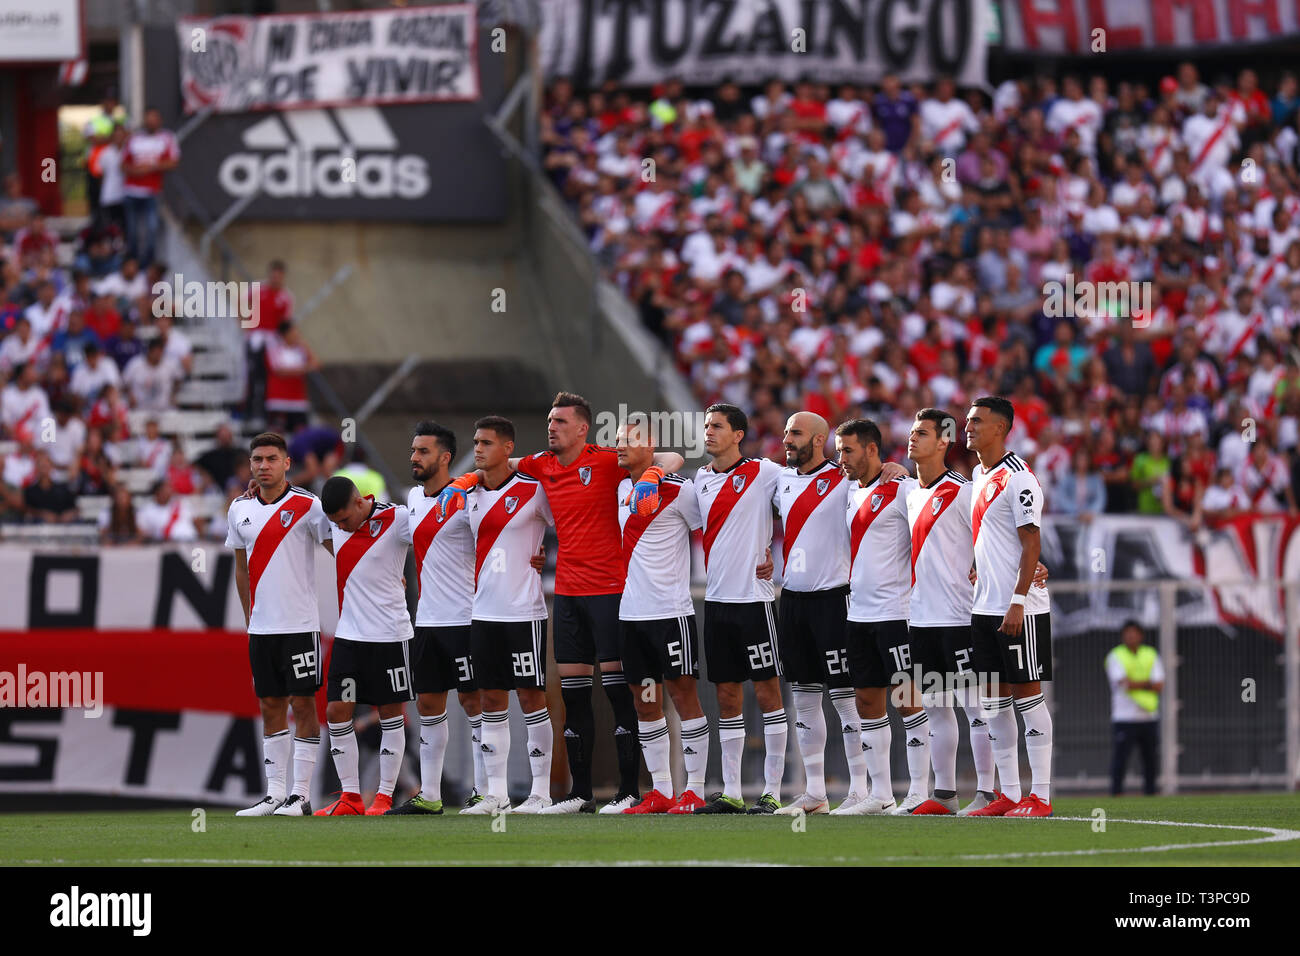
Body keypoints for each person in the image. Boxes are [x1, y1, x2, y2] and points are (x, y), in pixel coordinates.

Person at [439, 392, 682, 815]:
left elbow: (673, 455)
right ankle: (580, 793)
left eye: (561, 422)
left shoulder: (606, 460)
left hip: (609, 591)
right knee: (571, 698)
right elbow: (502, 465)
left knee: (618, 695)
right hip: (567, 595)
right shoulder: (540, 465)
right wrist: (466, 479)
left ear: (583, 429)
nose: (552, 426)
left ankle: (629, 790)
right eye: (550, 420)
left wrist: (654, 475)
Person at [772, 412, 895, 815]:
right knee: (804, 699)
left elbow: (879, 478)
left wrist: (892, 469)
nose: (787, 439)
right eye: (787, 432)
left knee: (847, 699)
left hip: (834, 600)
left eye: (796, 433)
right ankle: (815, 793)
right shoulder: (777, 479)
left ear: (820, 439)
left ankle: (861, 789)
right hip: (791, 600)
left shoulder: (845, 479)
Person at [450, 416, 556, 815]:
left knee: (531, 698)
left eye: (487, 443)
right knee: (491, 698)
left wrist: (545, 558)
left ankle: (541, 792)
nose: (477, 449)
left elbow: (571, 526)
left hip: (523, 612)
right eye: (476, 442)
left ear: (508, 449)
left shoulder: (534, 490)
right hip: (483, 612)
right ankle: (496, 794)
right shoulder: (468, 494)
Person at [225, 433, 334, 817]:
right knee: (270, 704)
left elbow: (338, 548)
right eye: (257, 459)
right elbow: (241, 569)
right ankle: (274, 793)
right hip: (262, 628)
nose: (264, 465)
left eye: (272, 458)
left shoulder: (309, 506)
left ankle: (301, 795)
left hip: (300, 625)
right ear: (250, 464)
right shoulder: (239, 510)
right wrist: (248, 616)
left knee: (303, 703)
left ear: (287, 463)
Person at [691, 403, 787, 814]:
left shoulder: (766, 472)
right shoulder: (700, 479)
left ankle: (772, 792)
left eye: (718, 427)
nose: (709, 432)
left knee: (768, 693)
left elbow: (807, 498)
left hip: (755, 601)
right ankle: (731, 790)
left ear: (738, 435)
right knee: (726, 695)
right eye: (707, 426)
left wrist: (777, 559)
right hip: (717, 603)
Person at [387, 422, 487, 814]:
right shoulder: (412, 499)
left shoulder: (468, 498)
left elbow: (497, 540)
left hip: (465, 619)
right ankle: (430, 795)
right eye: (414, 450)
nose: (414, 457)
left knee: (475, 702)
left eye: (423, 451)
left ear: (445, 458)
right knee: (428, 704)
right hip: (426, 621)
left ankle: (486, 791)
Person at [964, 396, 1055, 817]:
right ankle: (1011, 794)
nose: (968, 427)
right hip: (983, 607)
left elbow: (1031, 541)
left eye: (977, 421)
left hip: (1019, 608)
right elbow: (992, 538)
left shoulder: (1018, 477)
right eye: (968, 420)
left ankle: (1042, 796)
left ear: (1000, 428)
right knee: (993, 703)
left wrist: (1017, 601)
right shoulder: (980, 476)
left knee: (1028, 697)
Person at [613, 417, 709, 814]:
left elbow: (711, 530)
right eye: (616, 440)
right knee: (644, 701)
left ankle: (696, 790)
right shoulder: (620, 487)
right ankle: (662, 791)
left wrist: (761, 558)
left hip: (671, 613)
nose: (619, 446)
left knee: (684, 695)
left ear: (649, 444)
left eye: (628, 441)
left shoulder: (681, 490)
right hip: (631, 614)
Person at [833, 418, 920, 814]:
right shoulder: (849, 490)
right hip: (858, 614)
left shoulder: (903, 489)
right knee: (867, 700)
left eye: (848, 450)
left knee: (908, 699)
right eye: (838, 451)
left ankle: (919, 790)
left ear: (871, 449)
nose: (841, 459)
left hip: (895, 612)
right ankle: (881, 795)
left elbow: (941, 527)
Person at [314, 474, 415, 817]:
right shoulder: (333, 523)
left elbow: (437, 539)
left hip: (390, 636)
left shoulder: (398, 518)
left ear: (360, 502)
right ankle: (351, 798)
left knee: (391, 715)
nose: (340, 527)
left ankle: (385, 797)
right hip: (349, 637)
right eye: (334, 523)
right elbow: (287, 501)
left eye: (343, 519)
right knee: (336, 713)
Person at [1106, 620, 1164, 796]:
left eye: (1134, 633)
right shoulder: (1115, 656)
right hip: (1124, 717)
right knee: (1120, 760)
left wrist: (1136, 683)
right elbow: (1124, 684)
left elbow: (1159, 684)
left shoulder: (1150, 654)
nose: (1131, 636)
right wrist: (1147, 683)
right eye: (1127, 633)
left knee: (1150, 760)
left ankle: (1151, 794)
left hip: (1148, 716)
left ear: (1141, 635)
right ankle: (1116, 794)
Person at [122, 108, 180, 267]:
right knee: (132, 231)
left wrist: (151, 167)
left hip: (152, 191)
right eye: (148, 119)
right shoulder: (134, 139)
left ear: (159, 121)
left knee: (151, 229)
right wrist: (136, 170)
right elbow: (124, 164)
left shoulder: (166, 138)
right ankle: (132, 262)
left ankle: (148, 264)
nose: (151, 122)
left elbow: (173, 162)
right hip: (131, 191)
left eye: (154, 119)